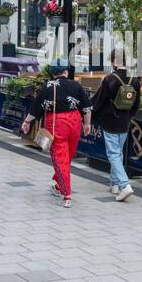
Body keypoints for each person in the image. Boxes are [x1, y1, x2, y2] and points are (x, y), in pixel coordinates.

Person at [20, 63, 91, 208]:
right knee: (68, 157)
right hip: (75, 122)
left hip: (57, 123)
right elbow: (87, 107)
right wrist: (87, 124)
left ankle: (67, 195)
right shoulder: (76, 85)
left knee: (61, 159)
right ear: (65, 72)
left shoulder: (47, 87)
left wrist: (27, 122)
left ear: (53, 73)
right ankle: (58, 184)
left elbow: (36, 107)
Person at [90, 48, 141, 202]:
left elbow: (98, 101)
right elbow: (136, 104)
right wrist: (129, 116)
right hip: (125, 122)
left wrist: (89, 113)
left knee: (113, 154)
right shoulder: (135, 80)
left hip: (110, 121)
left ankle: (125, 185)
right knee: (118, 153)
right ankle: (114, 185)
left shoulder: (110, 79)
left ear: (114, 61)